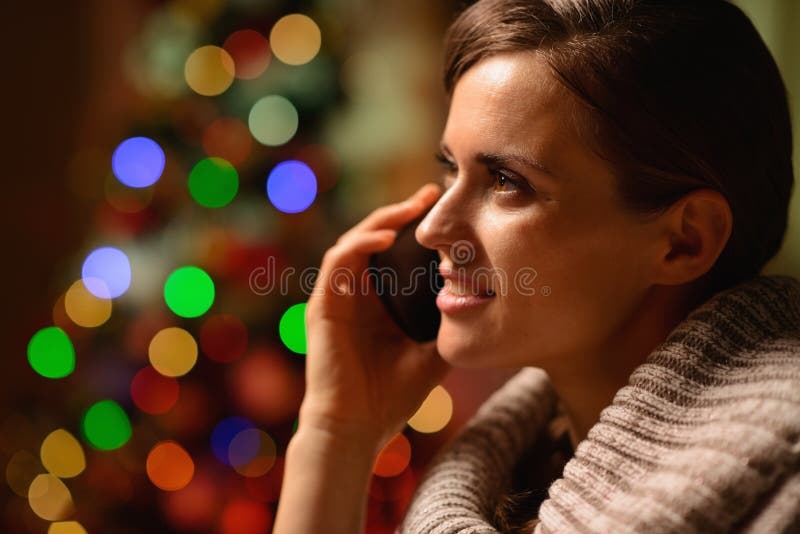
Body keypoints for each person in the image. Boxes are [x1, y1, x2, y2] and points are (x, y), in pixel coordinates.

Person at [273, 0, 800, 532]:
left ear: (684, 241)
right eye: (450, 167)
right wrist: (338, 432)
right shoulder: (517, 463)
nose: (432, 228)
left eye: (506, 181)